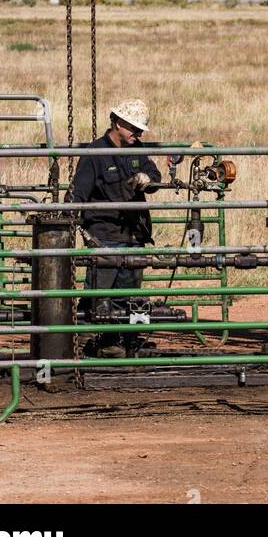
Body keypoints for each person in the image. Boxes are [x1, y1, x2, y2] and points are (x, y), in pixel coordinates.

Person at [70, 99, 162, 358]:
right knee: (99, 294)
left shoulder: (138, 150)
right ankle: (83, 344)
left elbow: (155, 177)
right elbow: (79, 192)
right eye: (134, 128)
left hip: (133, 235)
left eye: (140, 130)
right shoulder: (95, 154)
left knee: (130, 295)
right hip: (105, 235)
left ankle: (124, 342)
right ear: (118, 123)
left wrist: (148, 180)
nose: (138, 134)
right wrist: (71, 219)